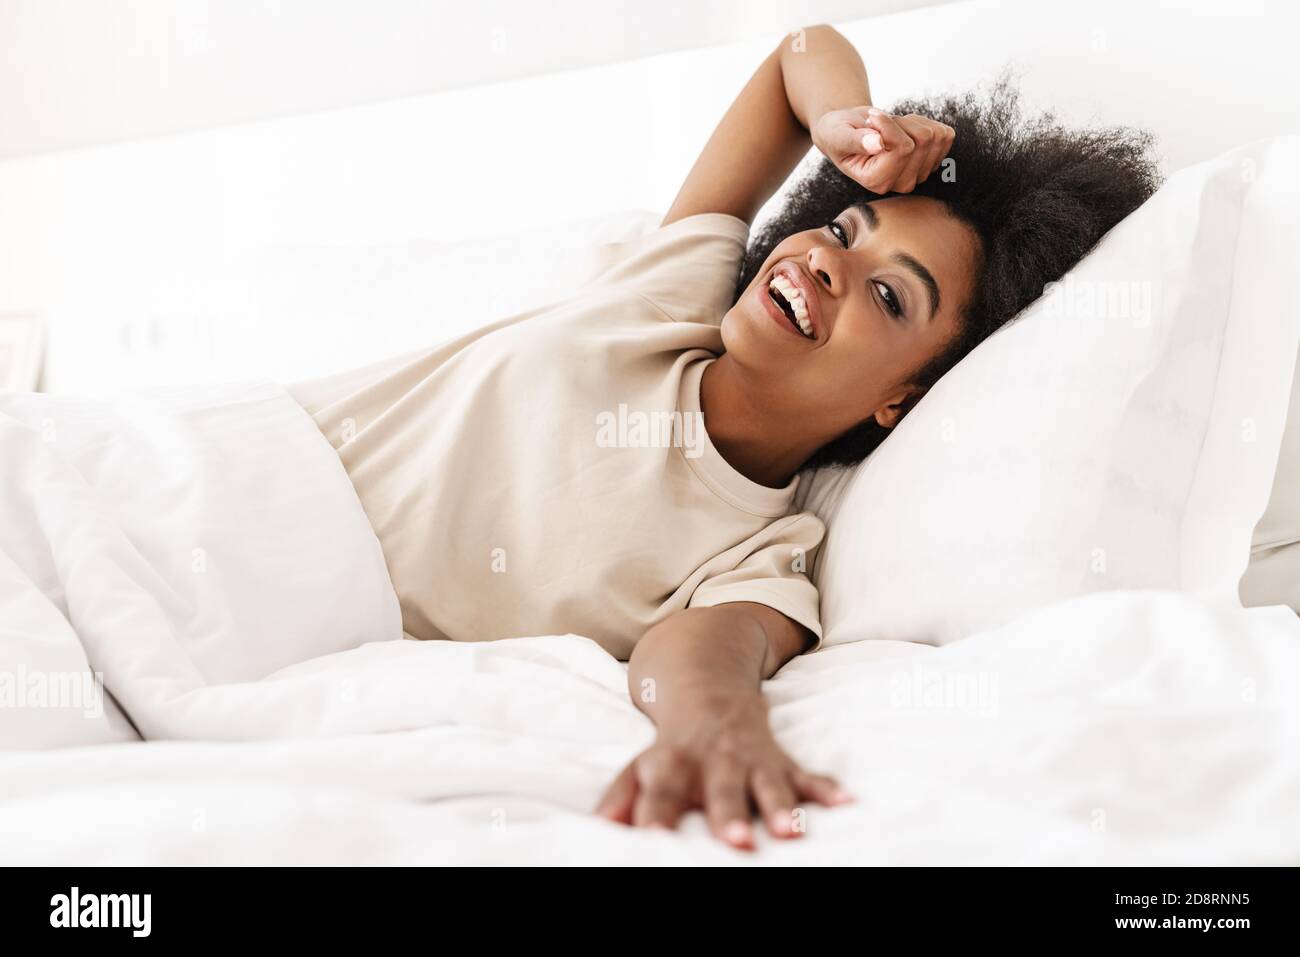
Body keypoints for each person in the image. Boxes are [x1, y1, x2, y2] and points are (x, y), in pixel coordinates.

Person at [286, 24, 1160, 851]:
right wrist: (848, 125)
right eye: (847, 228)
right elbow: (800, 54)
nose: (827, 259)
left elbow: (705, 657)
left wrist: (720, 726)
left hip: (275, 609)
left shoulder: (763, 552)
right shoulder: (667, 295)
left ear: (906, 396)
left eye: (890, 296)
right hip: (233, 456)